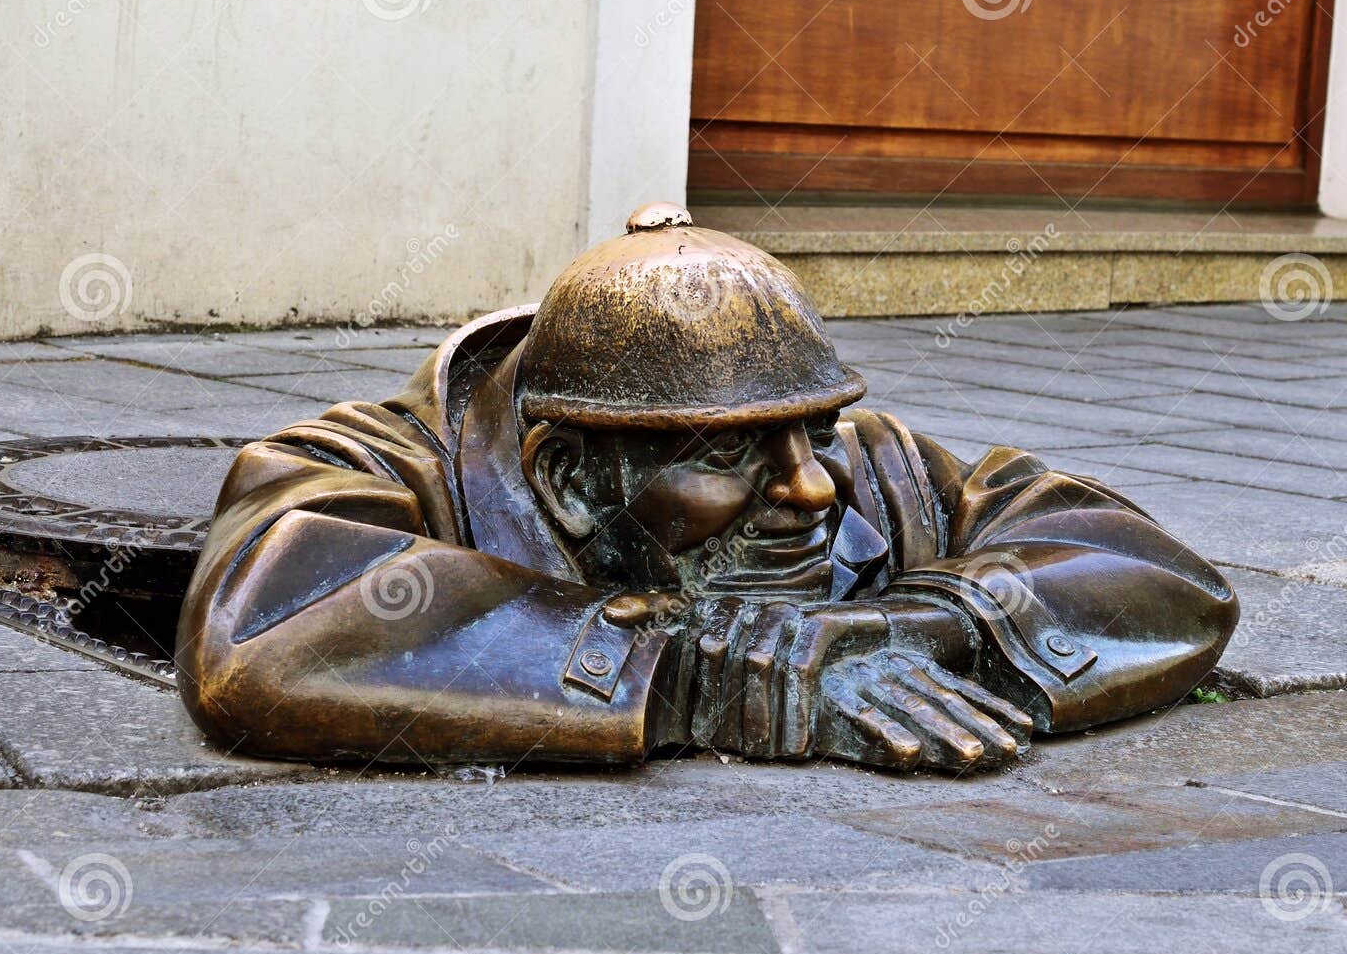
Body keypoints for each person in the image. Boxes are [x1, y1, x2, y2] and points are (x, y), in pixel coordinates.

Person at [175, 203, 1238, 773]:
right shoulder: (365, 466)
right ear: (570, 477)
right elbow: (262, 632)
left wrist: (927, 626)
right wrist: (695, 674)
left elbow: (1156, 570)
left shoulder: (868, 464)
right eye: (730, 456)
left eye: (811, 434)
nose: (814, 488)